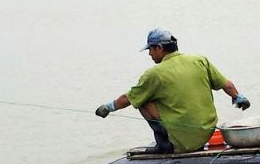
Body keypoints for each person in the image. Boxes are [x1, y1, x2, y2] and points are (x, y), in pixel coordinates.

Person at [95, 28, 250, 154]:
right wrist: (239, 97)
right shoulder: (200, 60)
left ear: (159, 48)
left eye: (150, 49)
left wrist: (109, 107)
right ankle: (178, 140)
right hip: (205, 133)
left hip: (184, 139)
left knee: (141, 100)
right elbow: (227, 85)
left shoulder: (155, 73)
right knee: (146, 97)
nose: (149, 54)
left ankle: (165, 145)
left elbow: (128, 98)